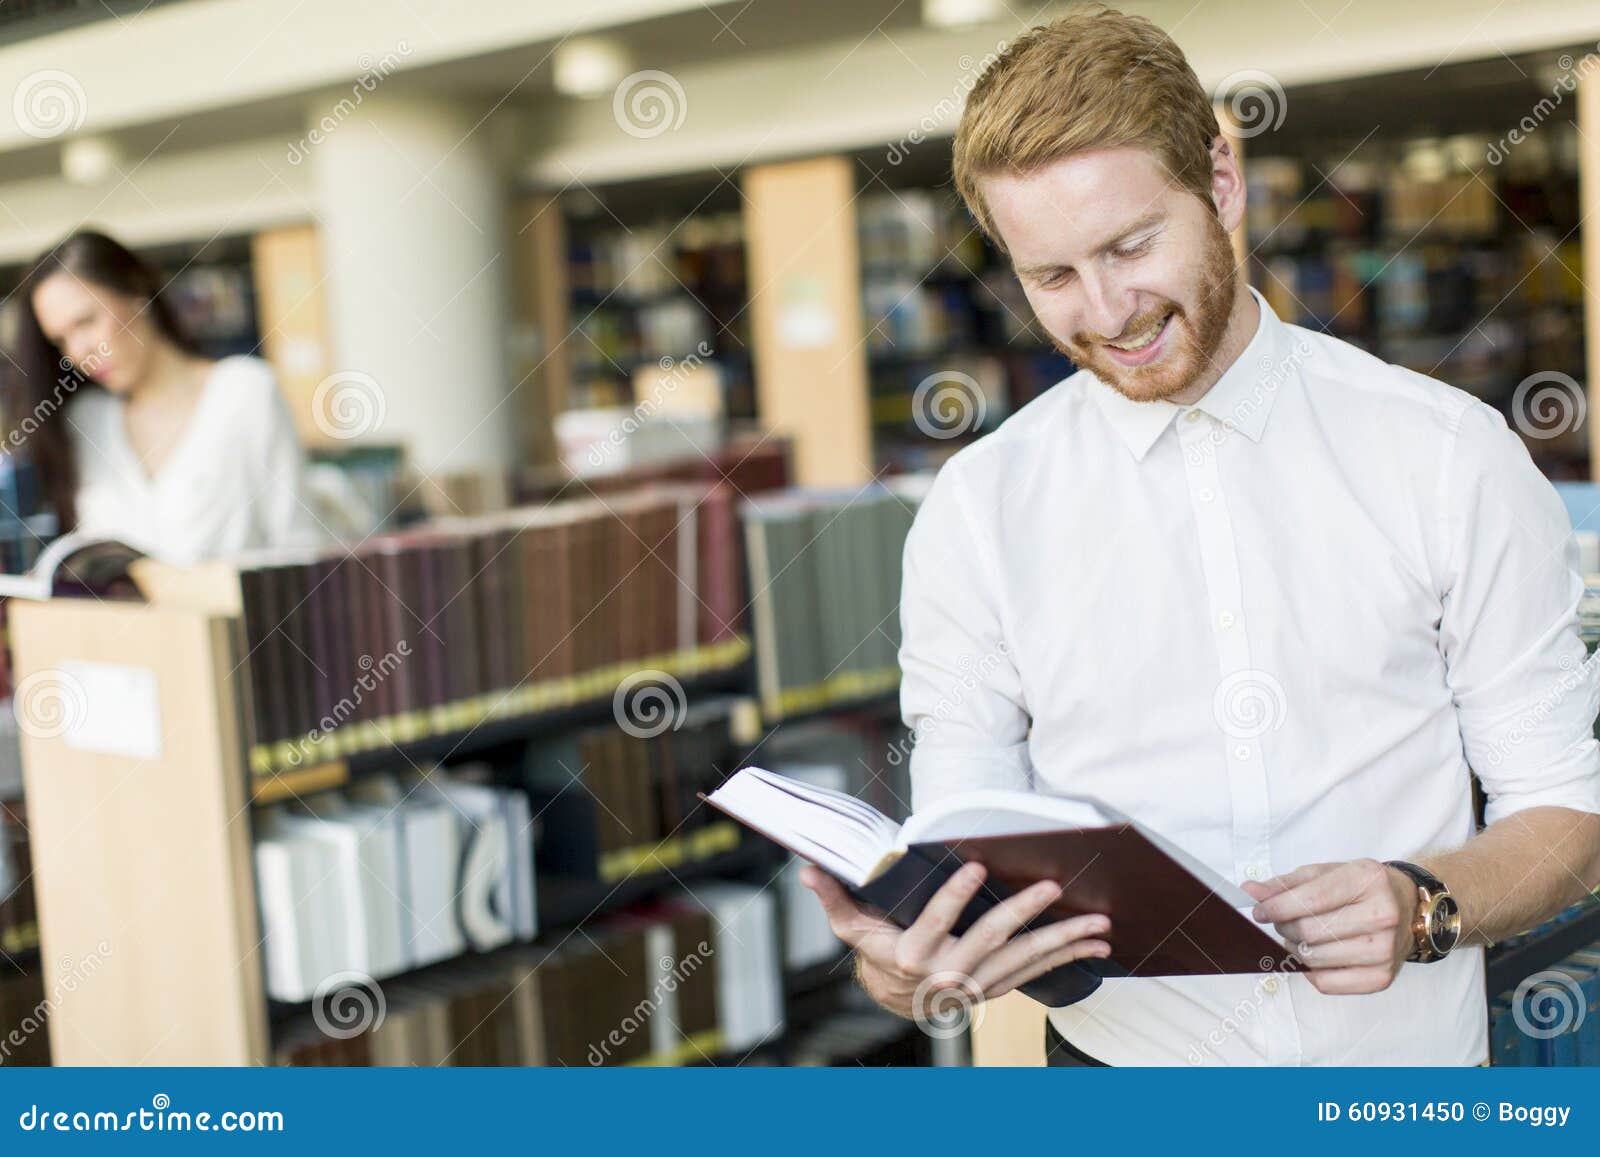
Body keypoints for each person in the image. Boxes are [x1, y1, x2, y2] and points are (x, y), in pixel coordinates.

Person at [802, 4, 1600, 1066]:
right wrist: (901, 961)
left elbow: (1563, 812)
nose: (1107, 310)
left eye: (1132, 244)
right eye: (1052, 277)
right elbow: (963, 841)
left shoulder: (1447, 454)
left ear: (1220, 183)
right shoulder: (978, 509)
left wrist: (1425, 902)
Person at [5, 229, 330, 565]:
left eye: (86, 322)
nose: (77, 352)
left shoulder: (244, 393)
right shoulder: (87, 421)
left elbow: (300, 551)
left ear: (136, 292)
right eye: (60, 340)